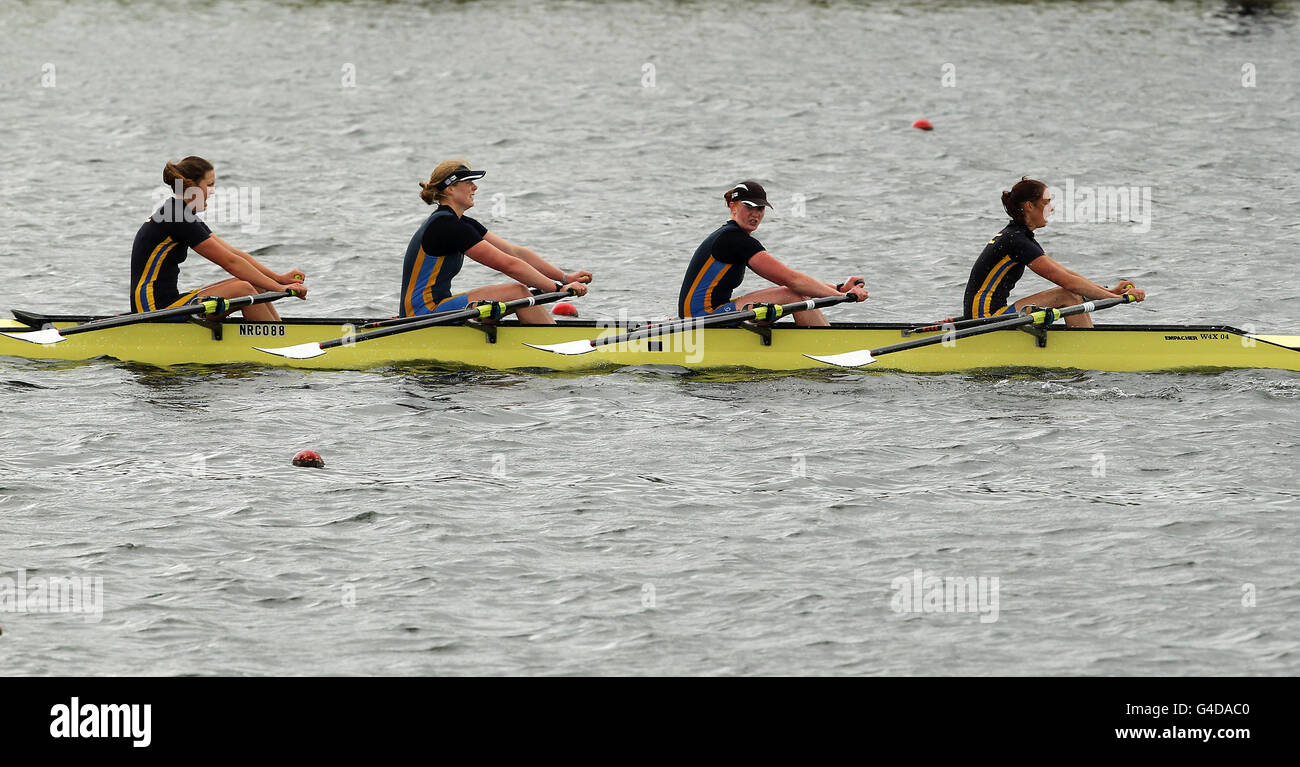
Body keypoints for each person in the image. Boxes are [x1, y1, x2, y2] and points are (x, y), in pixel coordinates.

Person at [400, 160, 591, 322]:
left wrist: (565, 278)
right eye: (469, 182)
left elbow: (515, 252)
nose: (475, 187)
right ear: (450, 188)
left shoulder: (461, 222)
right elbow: (508, 265)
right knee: (518, 292)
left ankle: (499, 339)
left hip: (439, 306)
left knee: (517, 295)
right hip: (421, 314)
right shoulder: (446, 225)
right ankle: (553, 346)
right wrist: (558, 288)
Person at [130, 156, 307, 320]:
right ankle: (275, 344)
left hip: (171, 302)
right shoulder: (176, 217)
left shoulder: (180, 213)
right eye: (210, 185)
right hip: (152, 310)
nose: (213, 192)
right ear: (193, 187)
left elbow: (235, 254)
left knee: (256, 284)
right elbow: (230, 262)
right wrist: (279, 289)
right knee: (243, 288)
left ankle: (278, 335)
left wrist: (279, 279)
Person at [677, 180, 867, 326]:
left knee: (794, 294)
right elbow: (792, 280)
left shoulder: (731, 236)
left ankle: (822, 342)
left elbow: (798, 282)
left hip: (710, 313)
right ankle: (828, 347)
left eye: (760, 208)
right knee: (793, 295)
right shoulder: (733, 240)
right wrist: (842, 297)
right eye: (749, 207)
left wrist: (839, 288)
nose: (756, 214)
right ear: (733, 207)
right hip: (702, 319)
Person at [962, 176, 1146, 327]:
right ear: (1029, 206)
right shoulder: (1016, 240)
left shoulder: (1018, 236)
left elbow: (1067, 274)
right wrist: (1118, 298)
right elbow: (1068, 283)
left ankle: (1085, 345)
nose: (1052, 208)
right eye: (1046, 202)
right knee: (1066, 294)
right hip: (985, 318)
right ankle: (1086, 350)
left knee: (1070, 293)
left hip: (990, 315)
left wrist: (1111, 292)